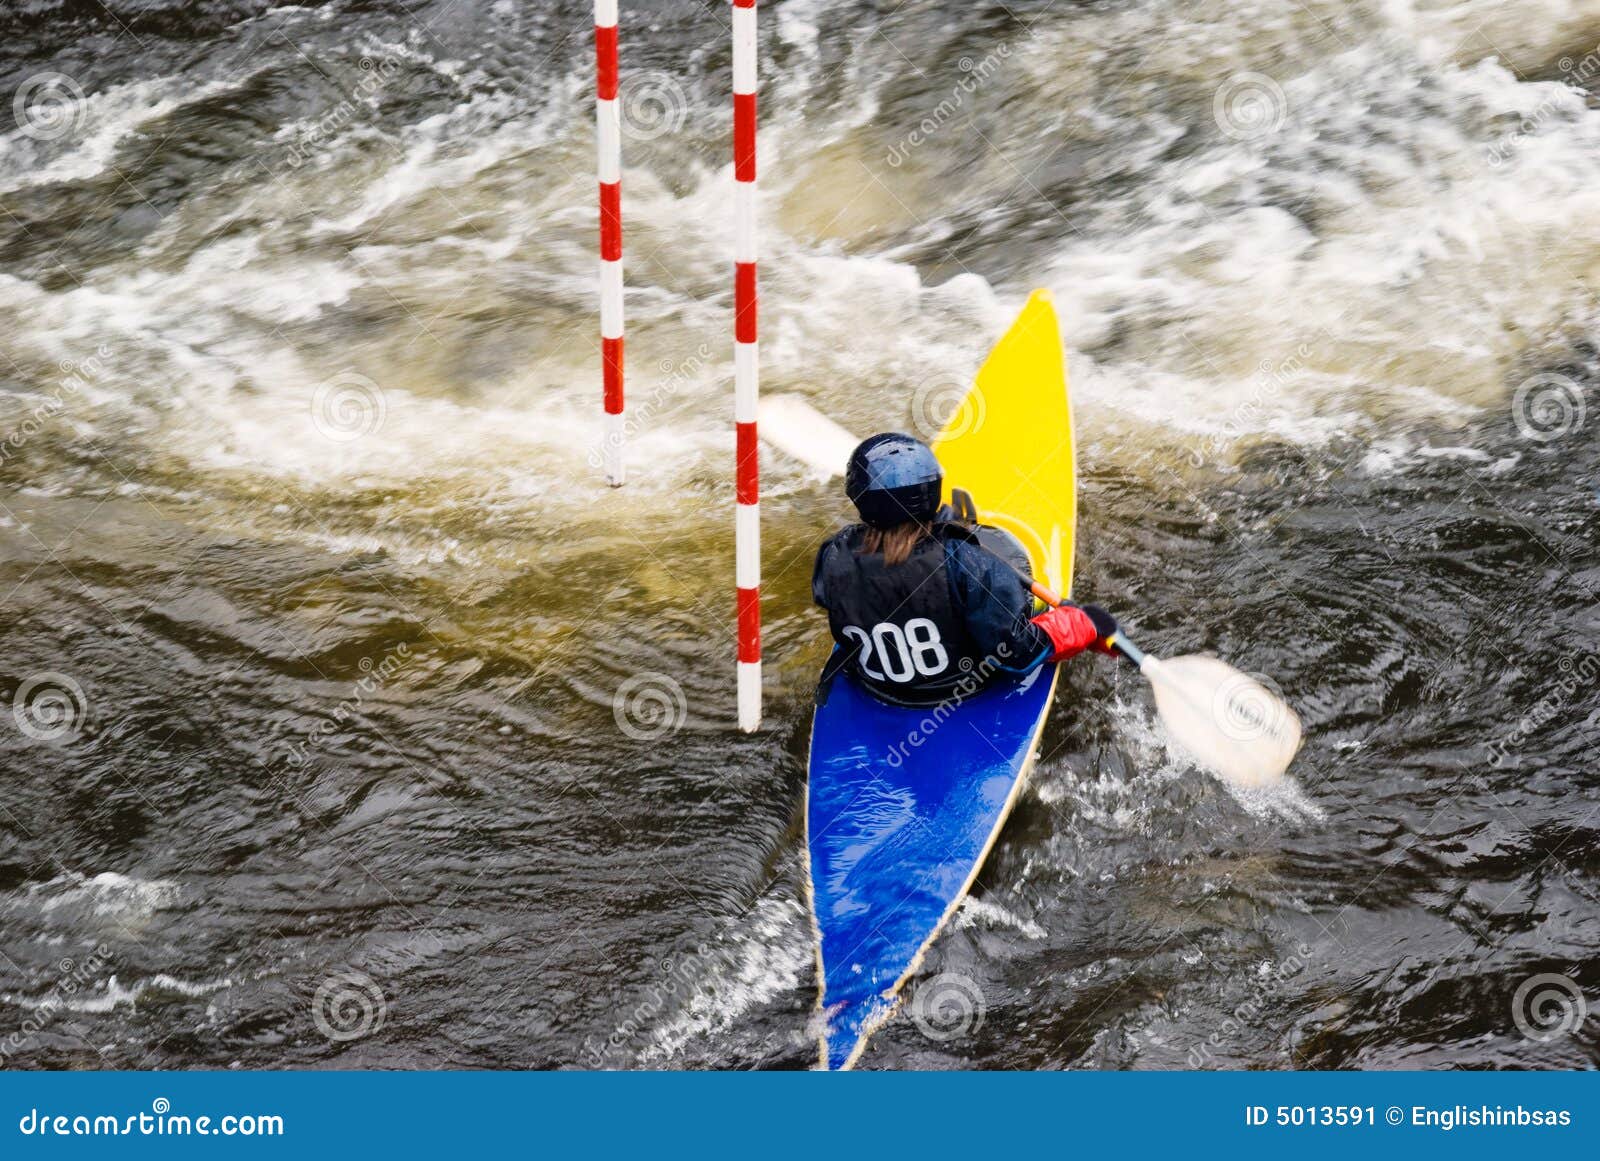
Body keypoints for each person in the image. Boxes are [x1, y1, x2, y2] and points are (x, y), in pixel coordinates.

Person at [811, 433, 1119, 706]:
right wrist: (1080, 625)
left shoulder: (834, 554)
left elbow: (833, 596)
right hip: (958, 692)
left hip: (878, 688)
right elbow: (1014, 653)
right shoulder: (967, 560)